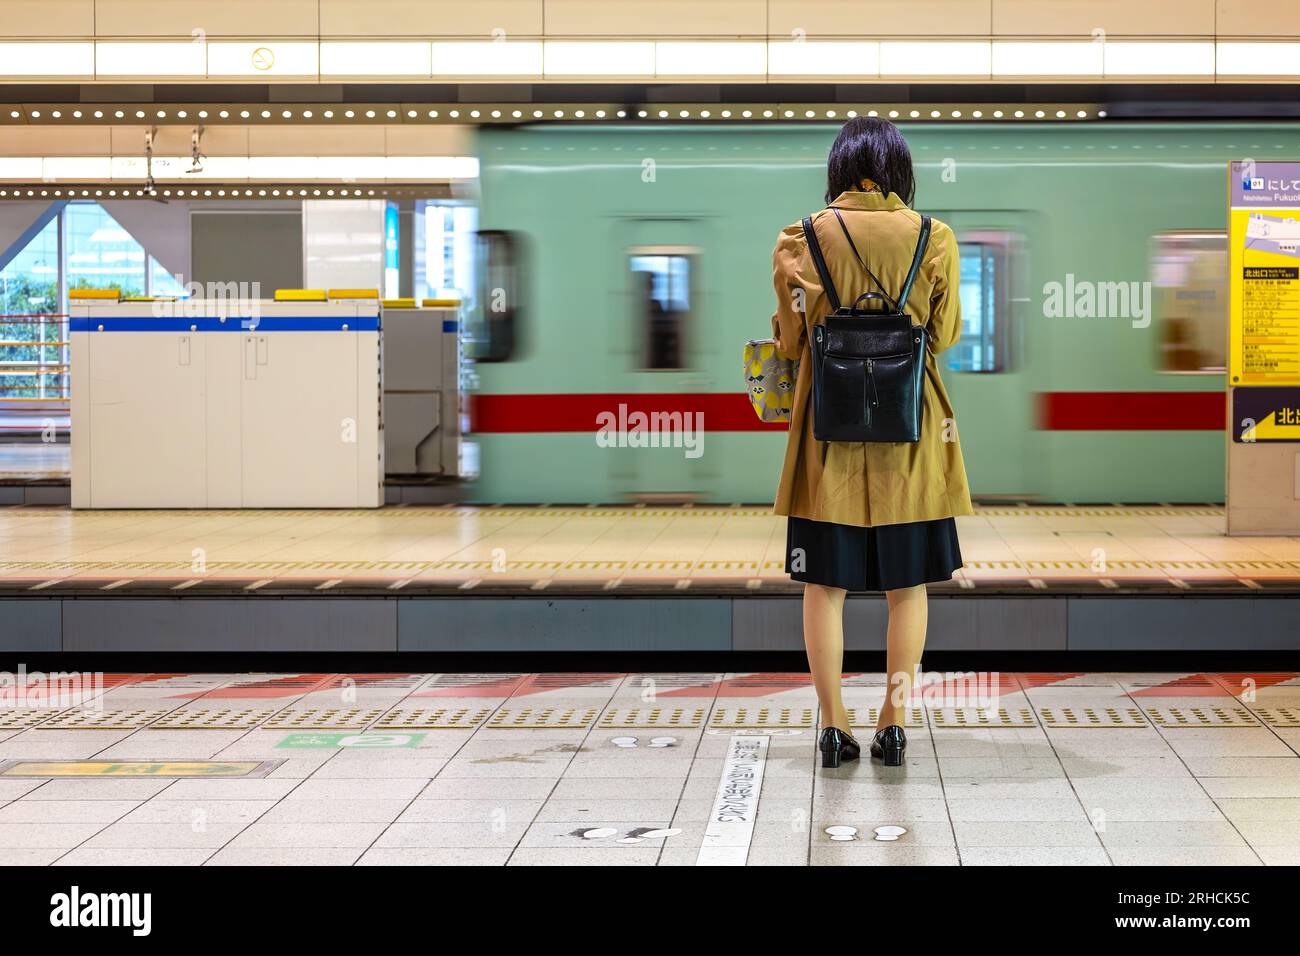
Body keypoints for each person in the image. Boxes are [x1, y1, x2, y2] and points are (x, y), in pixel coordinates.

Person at [768, 117, 973, 768]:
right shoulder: (934, 238)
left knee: (823, 586)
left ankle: (832, 727)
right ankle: (894, 723)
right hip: (910, 445)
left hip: (826, 446)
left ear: (840, 171)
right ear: (898, 174)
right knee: (907, 586)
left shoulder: (800, 238)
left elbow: (790, 342)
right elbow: (943, 336)